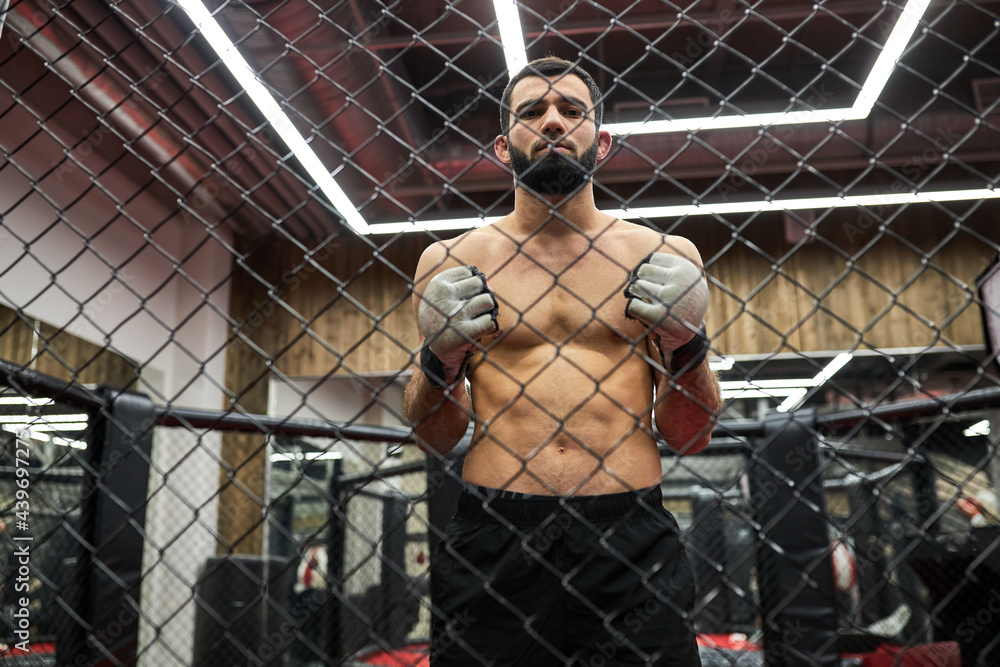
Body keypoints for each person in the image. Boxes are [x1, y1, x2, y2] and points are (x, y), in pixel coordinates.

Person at [402, 56, 720, 667]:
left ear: (600, 141)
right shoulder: (448, 260)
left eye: (572, 111)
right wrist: (437, 361)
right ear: (503, 145)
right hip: (496, 537)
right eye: (533, 112)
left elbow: (690, 434)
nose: (553, 122)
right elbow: (434, 437)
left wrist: (688, 347)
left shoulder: (664, 255)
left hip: (629, 538)